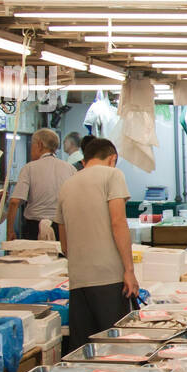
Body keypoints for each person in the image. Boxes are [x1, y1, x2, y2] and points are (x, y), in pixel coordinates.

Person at [55, 138, 139, 352]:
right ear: (113, 159)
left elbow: (64, 242)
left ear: (85, 160)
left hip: (78, 281)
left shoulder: (68, 184)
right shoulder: (112, 175)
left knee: (84, 352)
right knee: (115, 349)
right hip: (108, 279)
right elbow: (118, 222)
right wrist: (129, 270)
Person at [7, 129, 76, 242]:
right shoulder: (70, 169)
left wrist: (10, 231)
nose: (31, 150)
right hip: (62, 228)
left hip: (34, 228)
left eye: (32, 146)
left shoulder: (29, 168)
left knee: (35, 259)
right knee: (61, 259)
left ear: (39, 145)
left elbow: (15, 202)